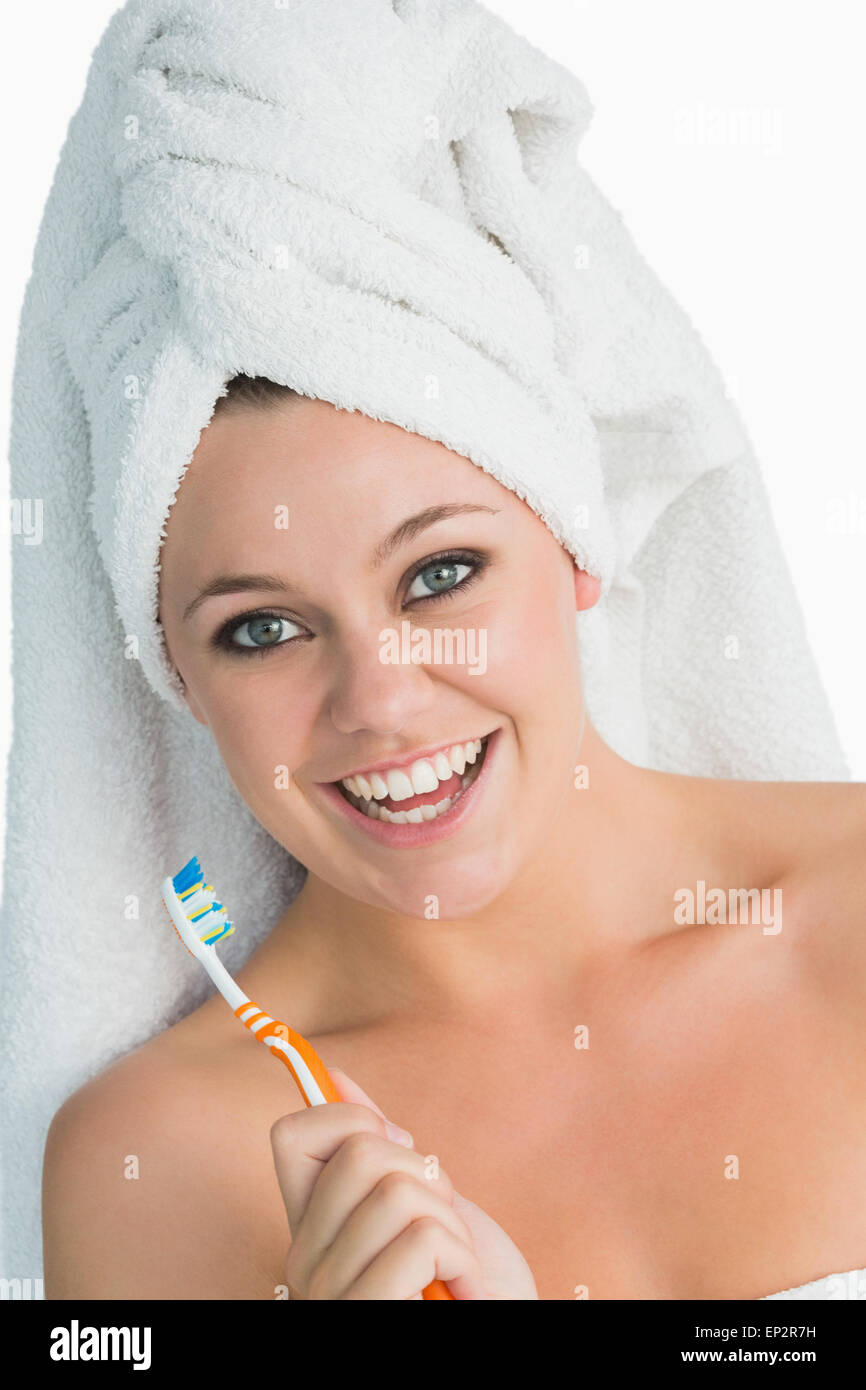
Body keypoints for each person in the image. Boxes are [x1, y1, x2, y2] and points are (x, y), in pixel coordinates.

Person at [40, 376, 866, 1301]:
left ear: (572, 538)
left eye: (439, 575)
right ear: (182, 683)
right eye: (263, 629)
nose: (379, 704)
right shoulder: (158, 1164)